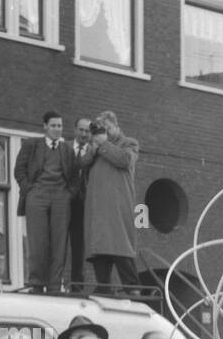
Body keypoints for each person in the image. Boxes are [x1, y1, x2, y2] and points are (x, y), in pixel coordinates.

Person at [14, 110, 79, 293]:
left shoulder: (67, 148)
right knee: (37, 241)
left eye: (59, 126)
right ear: (45, 127)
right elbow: (19, 170)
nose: (57, 129)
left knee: (59, 242)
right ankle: (36, 283)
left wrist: (68, 194)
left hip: (60, 197)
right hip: (37, 195)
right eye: (53, 126)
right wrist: (30, 190)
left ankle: (54, 285)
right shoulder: (31, 145)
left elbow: (75, 176)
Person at [80, 110, 141, 296]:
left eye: (107, 128)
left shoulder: (129, 143)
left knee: (120, 245)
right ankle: (103, 285)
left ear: (116, 126)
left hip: (117, 206)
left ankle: (132, 287)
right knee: (99, 248)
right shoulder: (96, 148)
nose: (104, 132)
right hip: (98, 208)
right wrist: (95, 146)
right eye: (101, 129)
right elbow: (82, 163)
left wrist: (103, 144)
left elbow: (124, 160)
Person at [68, 116, 92, 289]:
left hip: (83, 205)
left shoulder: (94, 151)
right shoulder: (64, 148)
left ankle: (77, 285)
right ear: (75, 130)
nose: (84, 134)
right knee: (58, 244)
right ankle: (54, 283)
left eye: (87, 131)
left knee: (79, 247)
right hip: (64, 202)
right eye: (81, 130)